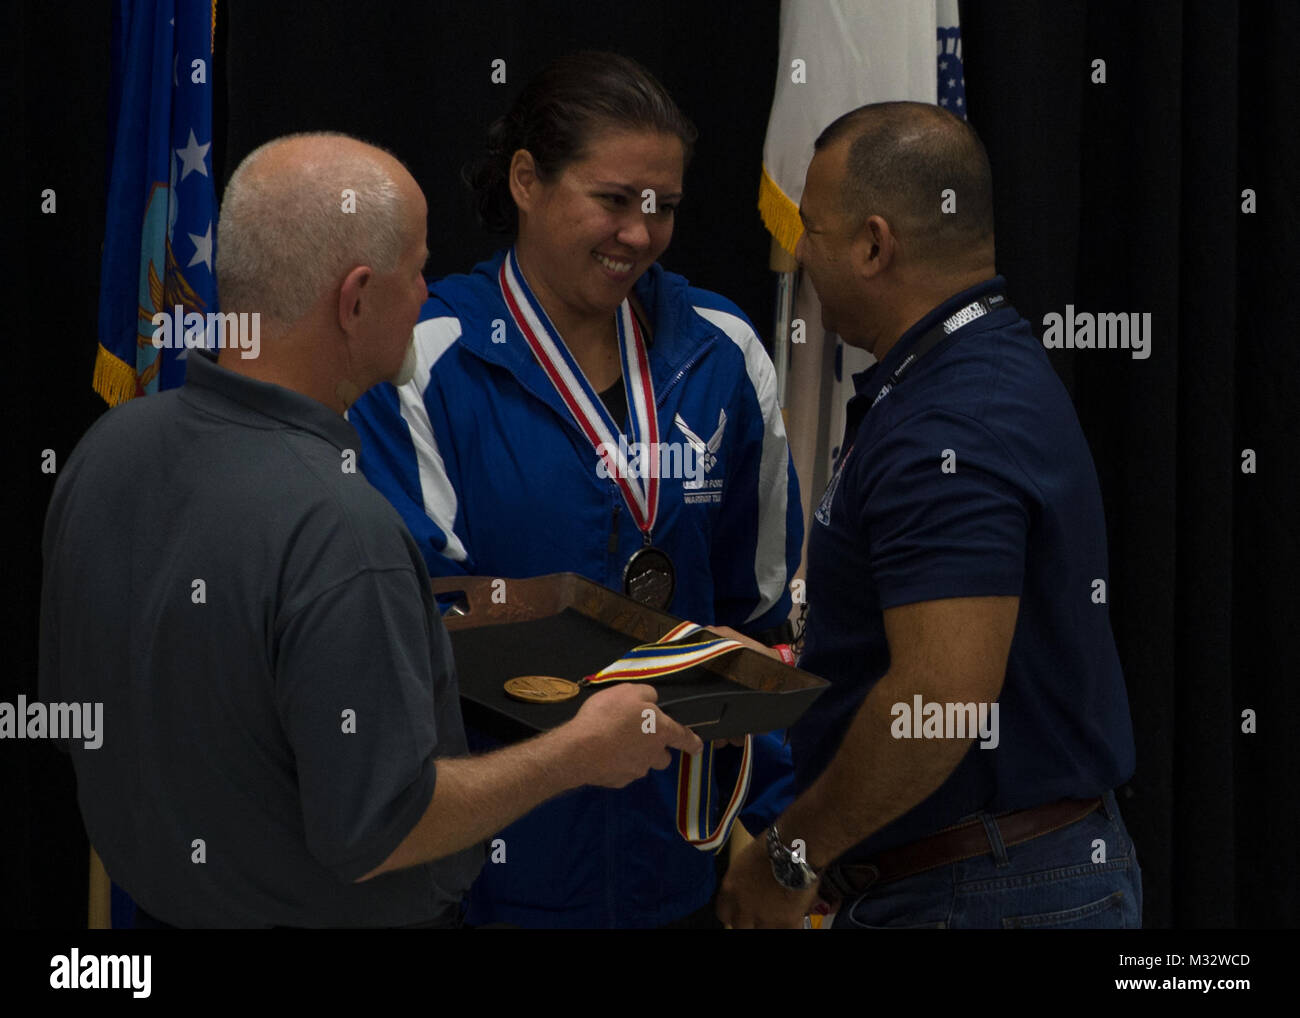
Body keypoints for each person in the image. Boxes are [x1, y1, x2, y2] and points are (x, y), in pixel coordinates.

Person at [38, 133, 700, 929]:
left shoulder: (108, 449)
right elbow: (381, 829)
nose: (429, 293)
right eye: (418, 270)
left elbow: (78, 716)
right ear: (355, 300)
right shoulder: (345, 528)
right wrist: (578, 752)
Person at [347, 52, 803, 928]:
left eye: (663, 206)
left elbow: (758, 624)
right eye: (613, 198)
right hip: (487, 880)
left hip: (678, 874)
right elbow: (422, 626)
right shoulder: (424, 358)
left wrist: (768, 836)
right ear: (526, 180)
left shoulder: (724, 352)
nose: (640, 231)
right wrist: (614, 702)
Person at [716, 102, 1141, 929]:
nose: (800, 253)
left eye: (813, 229)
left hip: (981, 895)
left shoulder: (949, 423)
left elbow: (939, 697)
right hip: (997, 874)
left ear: (875, 245)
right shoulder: (979, 363)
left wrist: (787, 858)